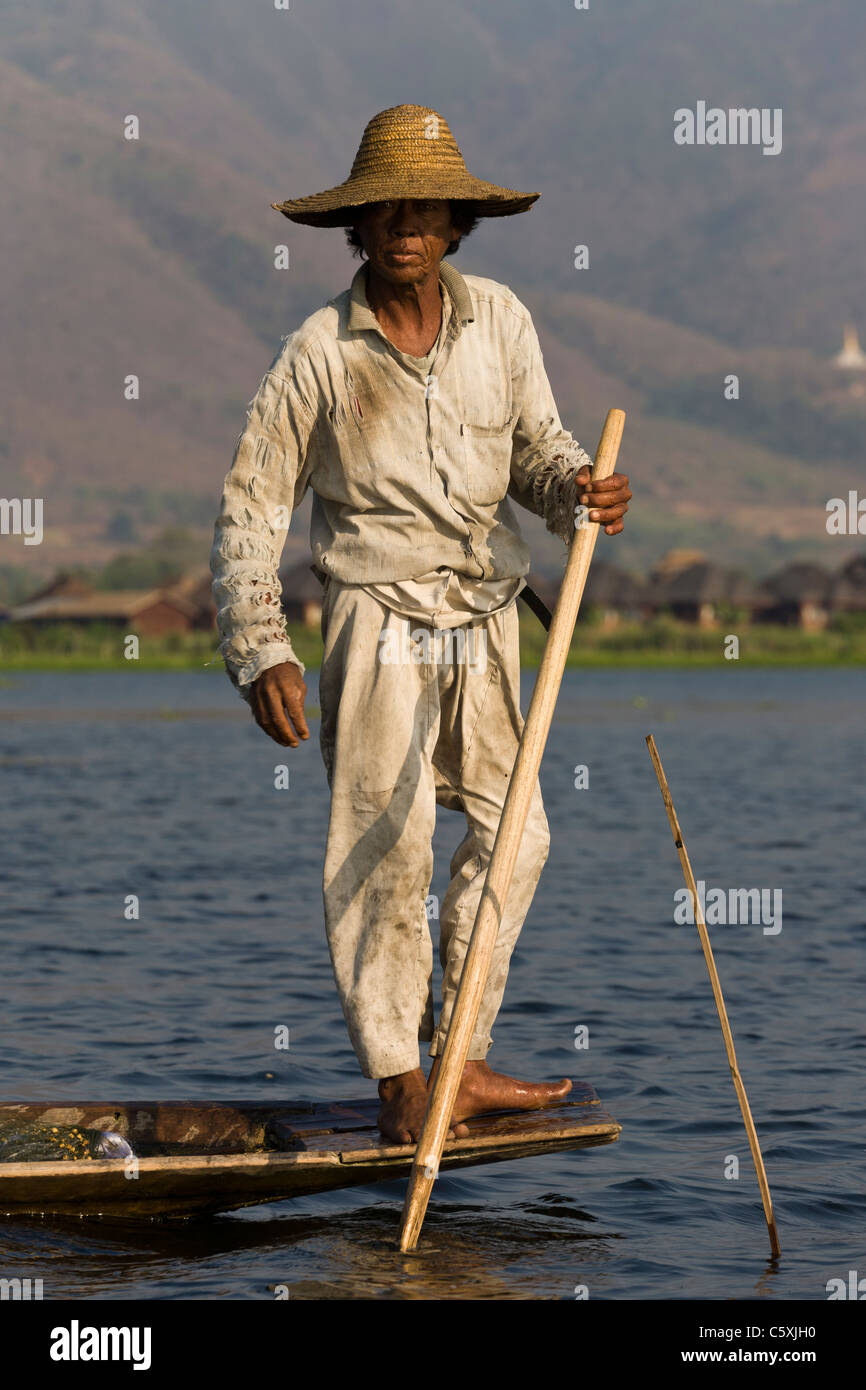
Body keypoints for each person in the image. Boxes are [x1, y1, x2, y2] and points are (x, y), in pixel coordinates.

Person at [210, 105, 631, 1143]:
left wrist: (580, 491)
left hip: (485, 618)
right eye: (385, 207)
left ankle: (462, 1056)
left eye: (425, 207)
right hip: (377, 618)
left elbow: (536, 454)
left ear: (452, 224)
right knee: (384, 840)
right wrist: (260, 644)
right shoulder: (318, 351)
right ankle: (401, 1078)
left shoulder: (500, 321)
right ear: (357, 225)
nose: (406, 223)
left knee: (518, 834)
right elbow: (253, 503)